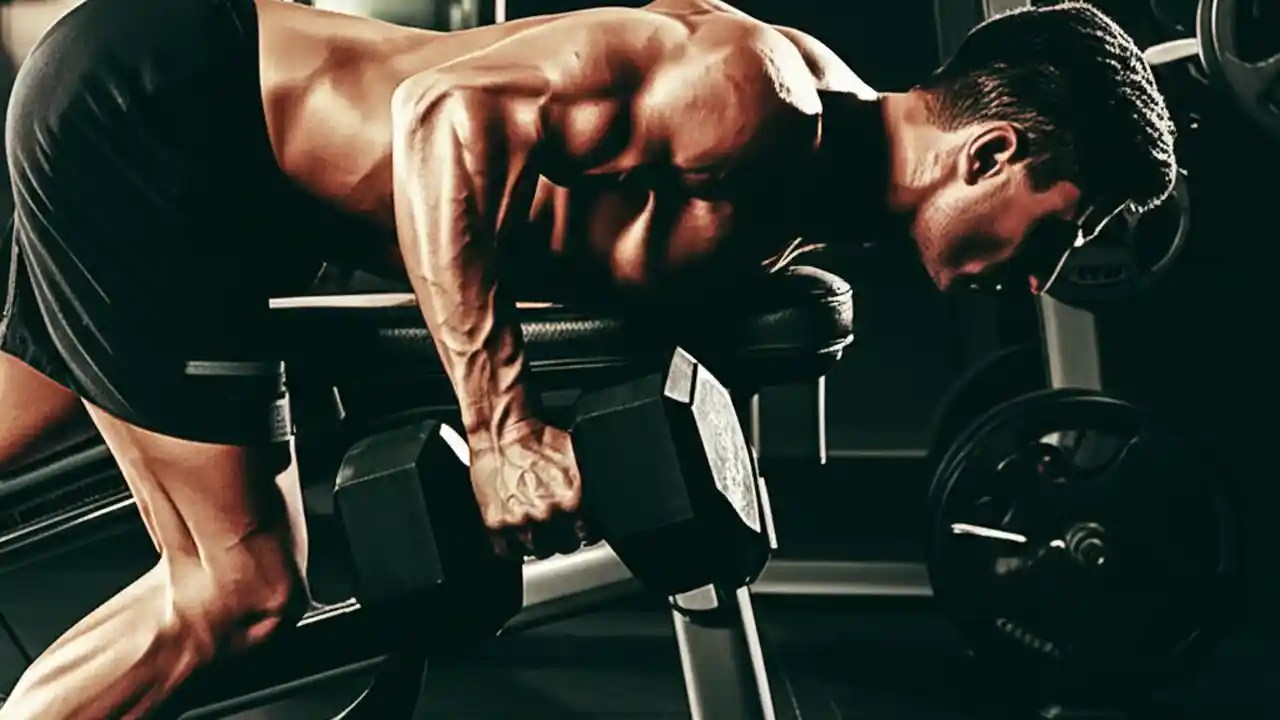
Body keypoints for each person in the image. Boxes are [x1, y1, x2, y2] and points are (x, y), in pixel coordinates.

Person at [0, 0, 1174, 716]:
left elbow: (609, 229)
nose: (1040, 275)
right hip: (176, 121)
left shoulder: (814, 175)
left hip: (188, 132)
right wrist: (502, 426)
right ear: (988, 150)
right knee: (242, 593)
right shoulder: (752, 94)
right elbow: (440, 122)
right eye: (1057, 227)